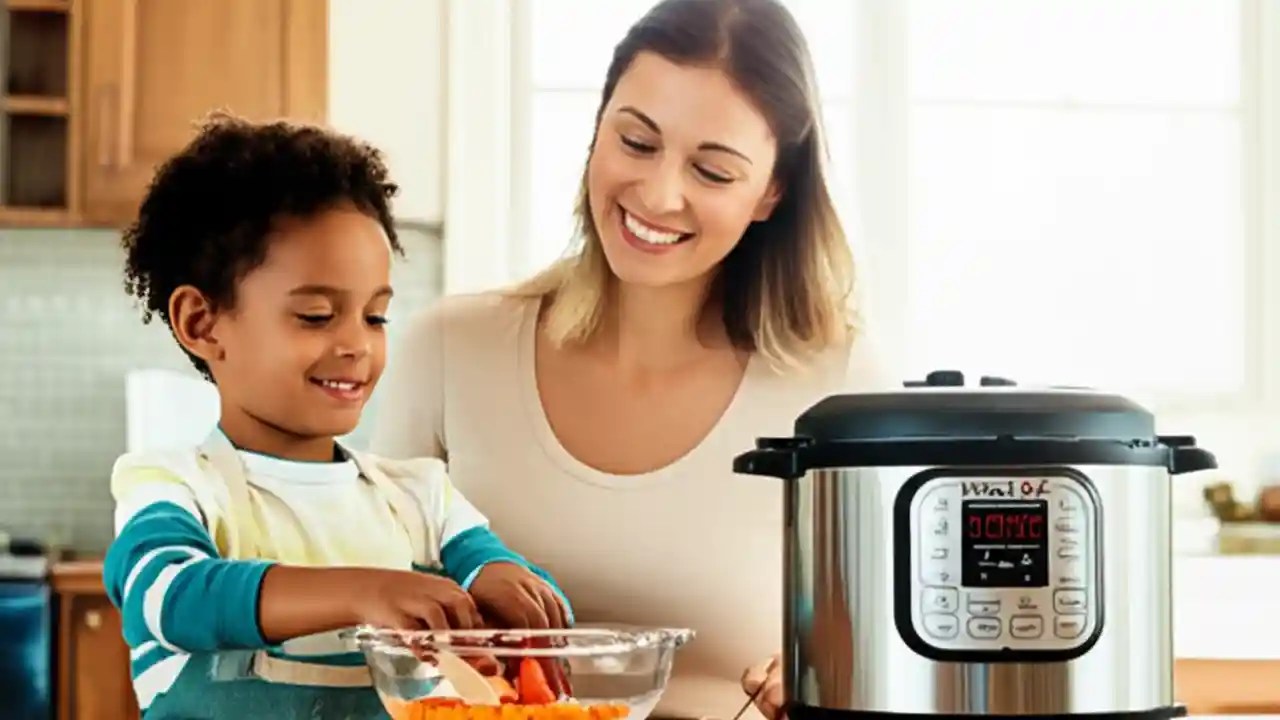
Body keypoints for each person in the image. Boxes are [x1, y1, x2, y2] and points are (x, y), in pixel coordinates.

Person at [372, 1, 891, 718]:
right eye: (637, 142)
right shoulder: (448, 353)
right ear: (598, 130)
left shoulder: (839, 386)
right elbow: (366, 634)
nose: (658, 194)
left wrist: (834, 681)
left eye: (712, 171)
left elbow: (878, 650)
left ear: (772, 191)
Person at [102, 113, 571, 719]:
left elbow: (509, 580)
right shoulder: (175, 486)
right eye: (317, 316)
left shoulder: (420, 498)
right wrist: (366, 590)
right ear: (202, 323)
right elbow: (165, 597)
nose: (358, 345)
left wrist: (509, 593)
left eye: (375, 317)